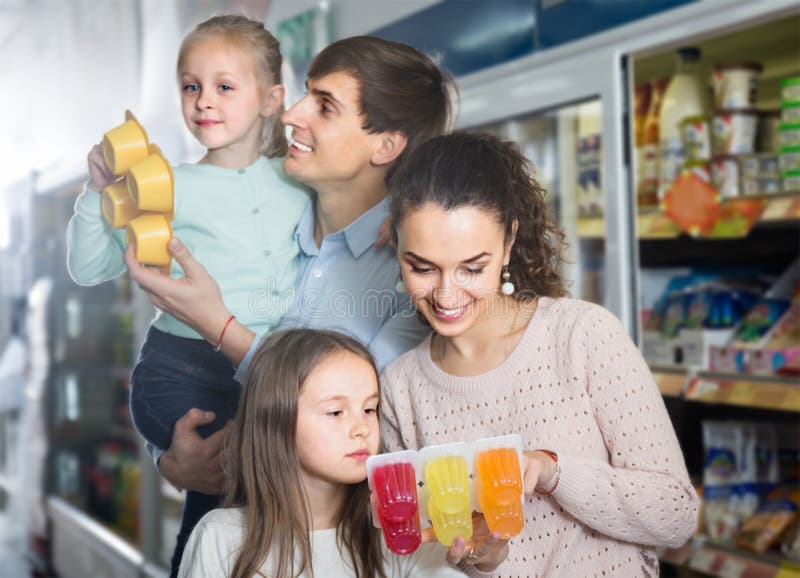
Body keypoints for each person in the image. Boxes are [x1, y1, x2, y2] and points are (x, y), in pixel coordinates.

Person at [124, 34, 454, 574]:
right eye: (303, 94)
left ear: (386, 147)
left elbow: (362, 424)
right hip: (226, 527)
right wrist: (171, 456)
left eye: (324, 106)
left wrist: (217, 323)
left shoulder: (407, 271)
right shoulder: (265, 212)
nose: (293, 115)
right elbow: (177, 368)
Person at [381, 132, 699, 577]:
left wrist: (553, 472)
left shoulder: (582, 335)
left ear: (509, 242)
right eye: (422, 267)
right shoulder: (400, 387)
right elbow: (430, 553)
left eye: (472, 268)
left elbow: (676, 515)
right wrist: (480, 559)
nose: (446, 294)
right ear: (396, 247)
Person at [66, 14, 309, 575]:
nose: (204, 101)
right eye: (191, 86)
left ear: (272, 99)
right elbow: (87, 266)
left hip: (264, 370)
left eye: (225, 86)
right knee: (227, 499)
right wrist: (96, 193)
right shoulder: (165, 185)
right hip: (181, 371)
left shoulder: (299, 179)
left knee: (243, 508)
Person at [178, 328, 508, 577]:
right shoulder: (219, 537)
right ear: (274, 420)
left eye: (369, 409)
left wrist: (479, 558)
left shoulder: (405, 533)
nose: (362, 428)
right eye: (336, 412)